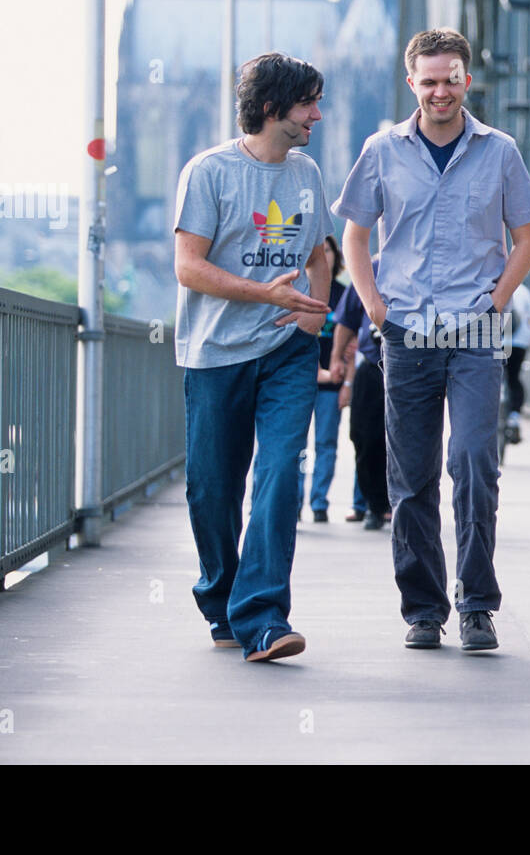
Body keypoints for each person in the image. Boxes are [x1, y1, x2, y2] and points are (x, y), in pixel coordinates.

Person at [333, 28, 530, 652]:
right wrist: (374, 305)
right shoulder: (381, 150)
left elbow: (526, 239)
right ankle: (423, 609)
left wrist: (497, 300)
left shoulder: (499, 151)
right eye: (429, 81)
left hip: (476, 332)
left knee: (475, 460)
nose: (441, 91)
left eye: (451, 79)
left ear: (467, 80)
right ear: (411, 84)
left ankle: (477, 604)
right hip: (407, 334)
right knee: (412, 474)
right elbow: (354, 237)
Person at [173, 52, 333, 663]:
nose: (317, 115)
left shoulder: (307, 173)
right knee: (213, 488)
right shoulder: (209, 172)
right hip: (215, 353)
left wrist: (315, 312)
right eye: (306, 104)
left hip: (287, 351)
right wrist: (263, 292)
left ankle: (264, 616)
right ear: (270, 109)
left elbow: (320, 252)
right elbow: (188, 267)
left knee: (279, 474)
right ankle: (222, 597)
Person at [329, 259, 391, 531]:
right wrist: (336, 359)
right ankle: (375, 504)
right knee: (364, 436)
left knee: (411, 441)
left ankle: (401, 503)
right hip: (372, 365)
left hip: (415, 365)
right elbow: (347, 320)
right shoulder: (370, 267)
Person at [300, 235, 348, 523]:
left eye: (327, 250)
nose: (323, 255)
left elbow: (354, 336)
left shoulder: (343, 295)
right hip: (299, 380)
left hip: (331, 383)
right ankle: (292, 501)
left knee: (326, 443)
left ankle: (319, 501)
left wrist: (347, 379)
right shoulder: (297, 291)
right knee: (296, 446)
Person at [502, 283, 530, 443]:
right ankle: (514, 417)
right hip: (519, 343)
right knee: (514, 378)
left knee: (491, 378)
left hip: (497, 341)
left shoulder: (492, 284)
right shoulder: (523, 290)